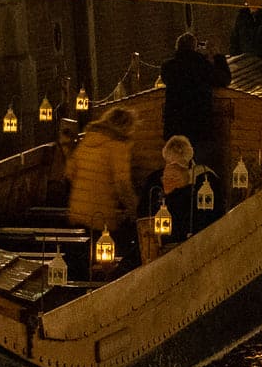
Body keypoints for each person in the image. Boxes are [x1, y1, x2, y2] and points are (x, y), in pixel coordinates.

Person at [67, 106, 139, 262]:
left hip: (78, 212)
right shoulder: (118, 145)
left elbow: (69, 173)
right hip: (101, 216)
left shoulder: (87, 140)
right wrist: (135, 210)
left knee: (84, 257)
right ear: (126, 126)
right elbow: (122, 185)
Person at [159, 31, 230, 154]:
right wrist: (217, 56)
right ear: (195, 48)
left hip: (174, 128)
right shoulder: (202, 66)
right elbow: (224, 79)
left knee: (175, 163)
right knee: (198, 167)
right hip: (199, 128)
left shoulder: (168, 67)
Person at [143, 135, 222, 242]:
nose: (174, 165)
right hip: (161, 237)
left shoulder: (205, 178)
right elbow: (144, 211)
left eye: (178, 163)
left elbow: (211, 213)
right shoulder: (155, 179)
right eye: (170, 162)